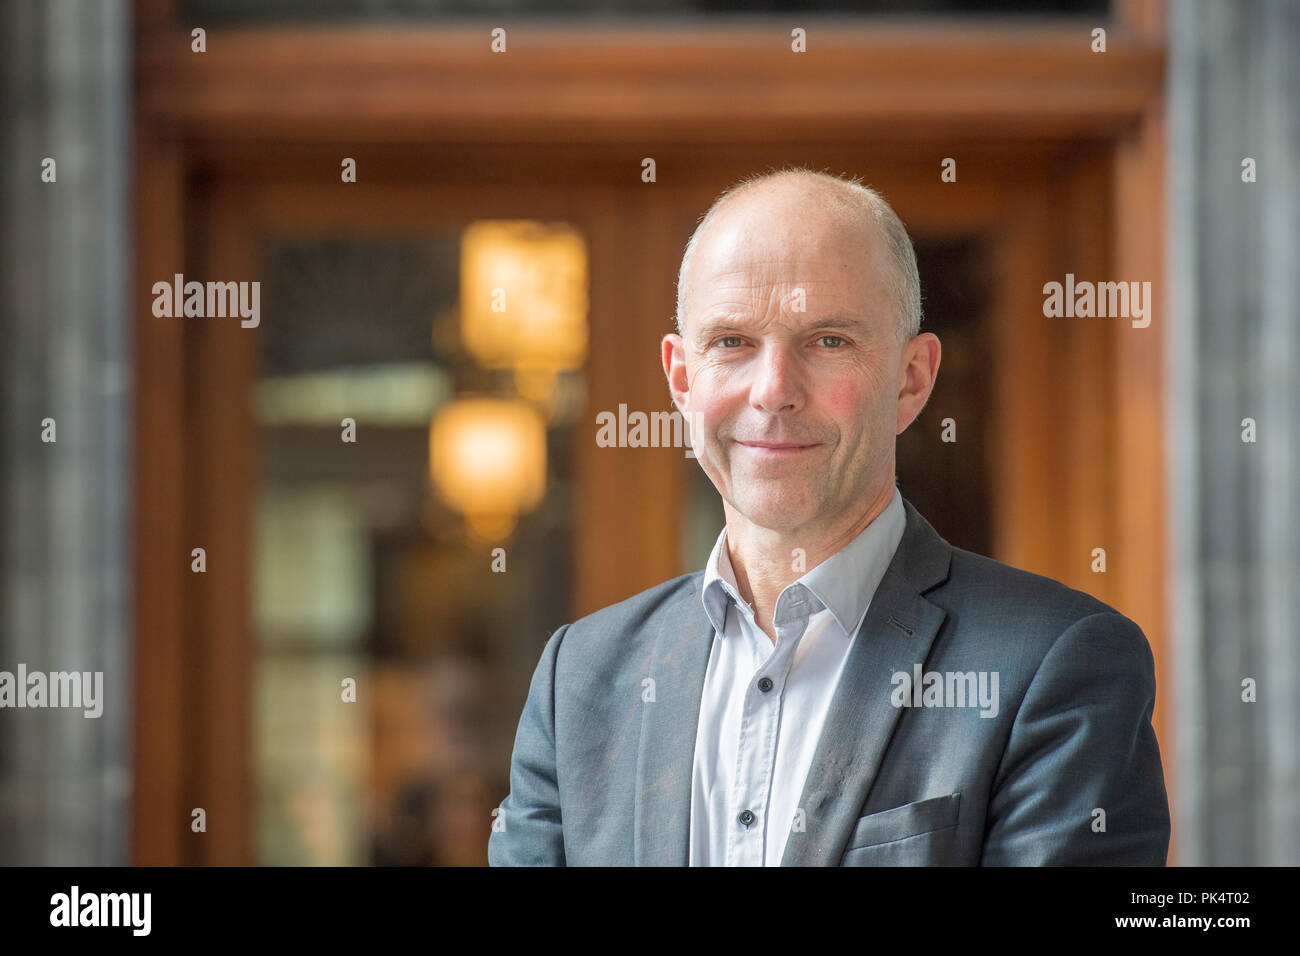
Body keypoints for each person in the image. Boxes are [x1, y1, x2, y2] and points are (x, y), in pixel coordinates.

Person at [488, 167, 1170, 866]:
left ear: (912, 380)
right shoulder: (580, 680)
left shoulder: (1058, 665)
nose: (773, 390)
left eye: (828, 341)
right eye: (731, 342)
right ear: (682, 380)